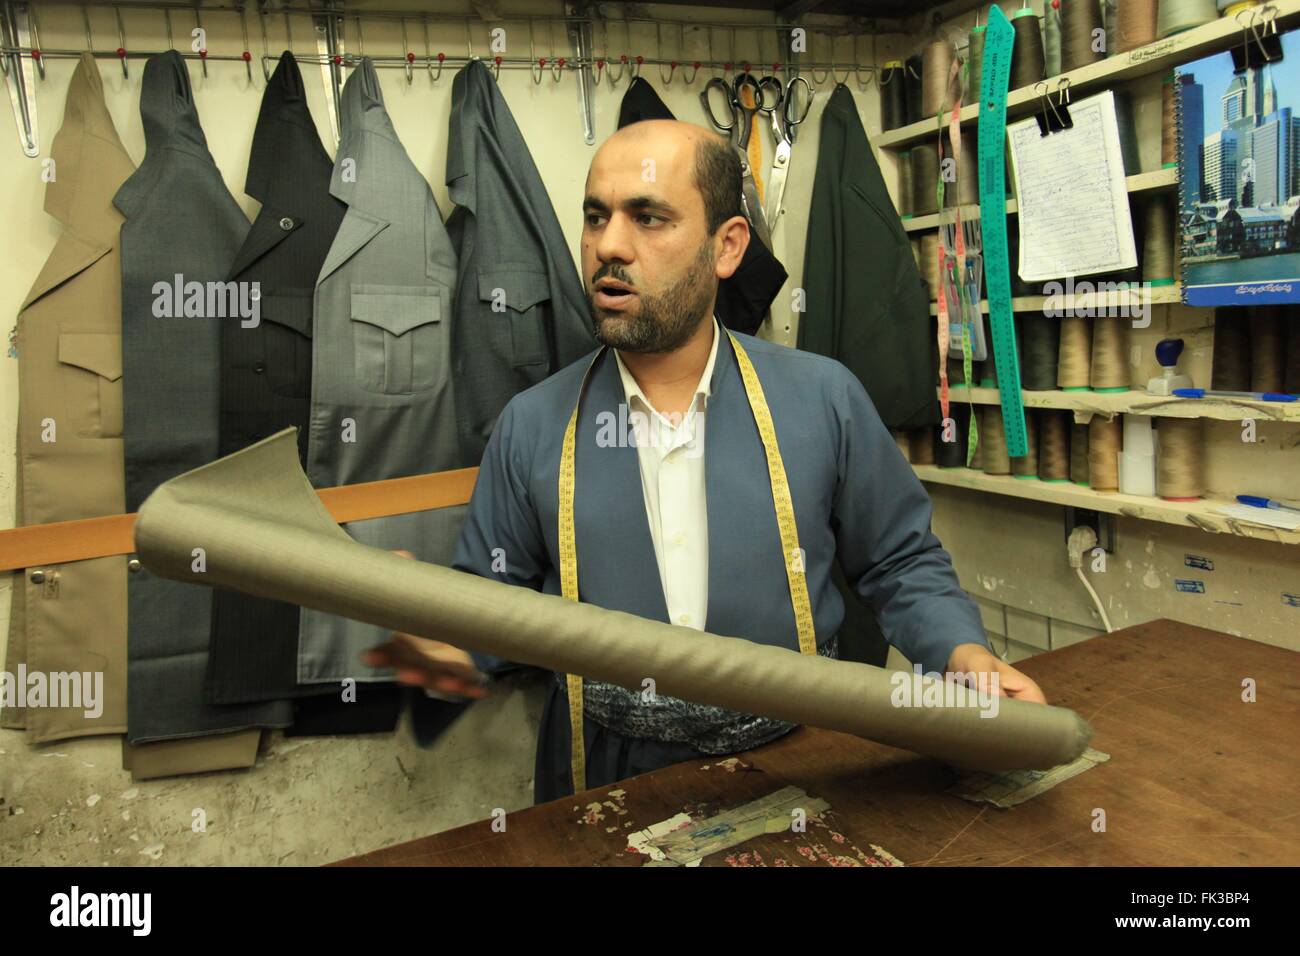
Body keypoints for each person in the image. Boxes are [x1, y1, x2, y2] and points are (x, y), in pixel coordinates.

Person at [365, 119, 1046, 804]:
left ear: (727, 246)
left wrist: (964, 656)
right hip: (605, 778)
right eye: (596, 217)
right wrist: (438, 645)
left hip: (803, 760)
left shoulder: (821, 398)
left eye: (648, 217)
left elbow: (898, 562)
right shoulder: (533, 426)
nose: (608, 245)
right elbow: (492, 606)